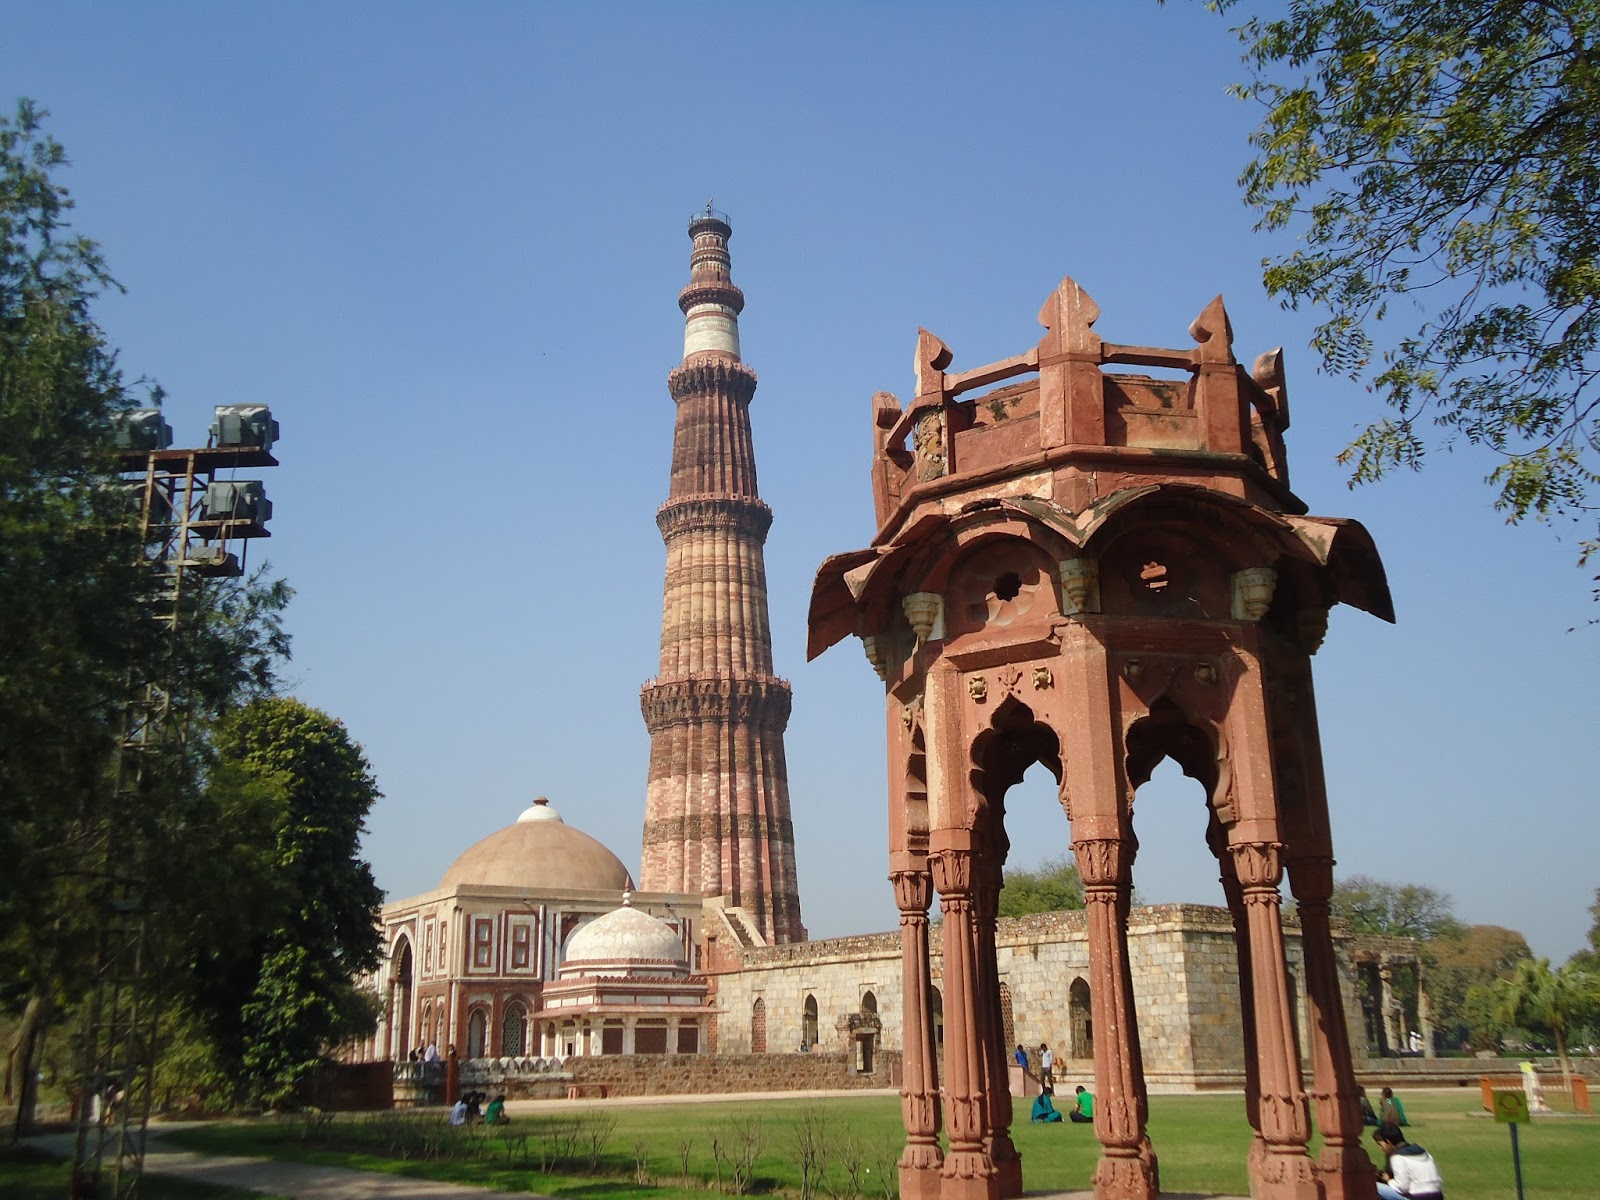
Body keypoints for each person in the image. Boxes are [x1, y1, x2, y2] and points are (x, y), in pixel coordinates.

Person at [1373, 1124, 1444, 1200]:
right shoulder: (1424, 1152)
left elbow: (1401, 1187)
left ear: (1388, 1142)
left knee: (1370, 1186)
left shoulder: (1398, 1157)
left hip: (1418, 1197)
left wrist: (1388, 1180)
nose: (1380, 1148)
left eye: (1380, 1145)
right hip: (1438, 1195)